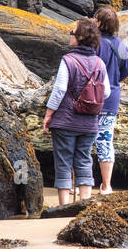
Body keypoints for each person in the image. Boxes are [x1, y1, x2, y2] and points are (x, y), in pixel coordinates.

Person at [43, 18, 111, 206]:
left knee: (63, 162)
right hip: (90, 123)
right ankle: (84, 204)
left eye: (72, 33)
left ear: (80, 37)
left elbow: (59, 90)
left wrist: (49, 114)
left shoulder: (68, 60)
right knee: (84, 160)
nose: (70, 35)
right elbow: (106, 92)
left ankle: (64, 207)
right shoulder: (100, 63)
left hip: (65, 121)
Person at [93, 7, 128, 195]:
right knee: (105, 140)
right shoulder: (122, 45)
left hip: (91, 97)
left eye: (95, 18)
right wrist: (113, 80)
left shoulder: (94, 43)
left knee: (82, 139)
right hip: (112, 98)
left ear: (99, 23)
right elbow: (126, 72)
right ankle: (106, 185)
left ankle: (77, 185)